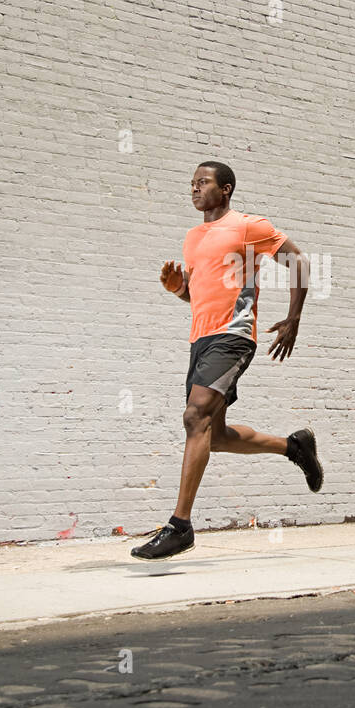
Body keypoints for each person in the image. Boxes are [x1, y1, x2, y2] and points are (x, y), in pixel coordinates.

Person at [131, 161, 323, 560]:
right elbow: (198, 297)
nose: (195, 189)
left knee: (194, 417)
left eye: (203, 183)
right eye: (192, 184)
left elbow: (300, 263)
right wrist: (177, 289)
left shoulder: (248, 227)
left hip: (233, 336)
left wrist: (294, 319)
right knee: (212, 436)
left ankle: (180, 526)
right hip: (201, 338)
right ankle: (294, 447)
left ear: (227, 188)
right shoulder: (192, 237)